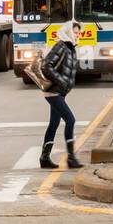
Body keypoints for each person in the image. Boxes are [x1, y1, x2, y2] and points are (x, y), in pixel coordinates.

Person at [38, 22, 82, 170]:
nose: (78, 35)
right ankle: (71, 158)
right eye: (75, 32)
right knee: (70, 119)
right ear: (68, 32)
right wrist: (62, 81)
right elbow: (46, 65)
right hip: (53, 91)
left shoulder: (71, 48)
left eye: (78, 33)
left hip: (59, 92)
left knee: (54, 124)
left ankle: (44, 158)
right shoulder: (61, 46)